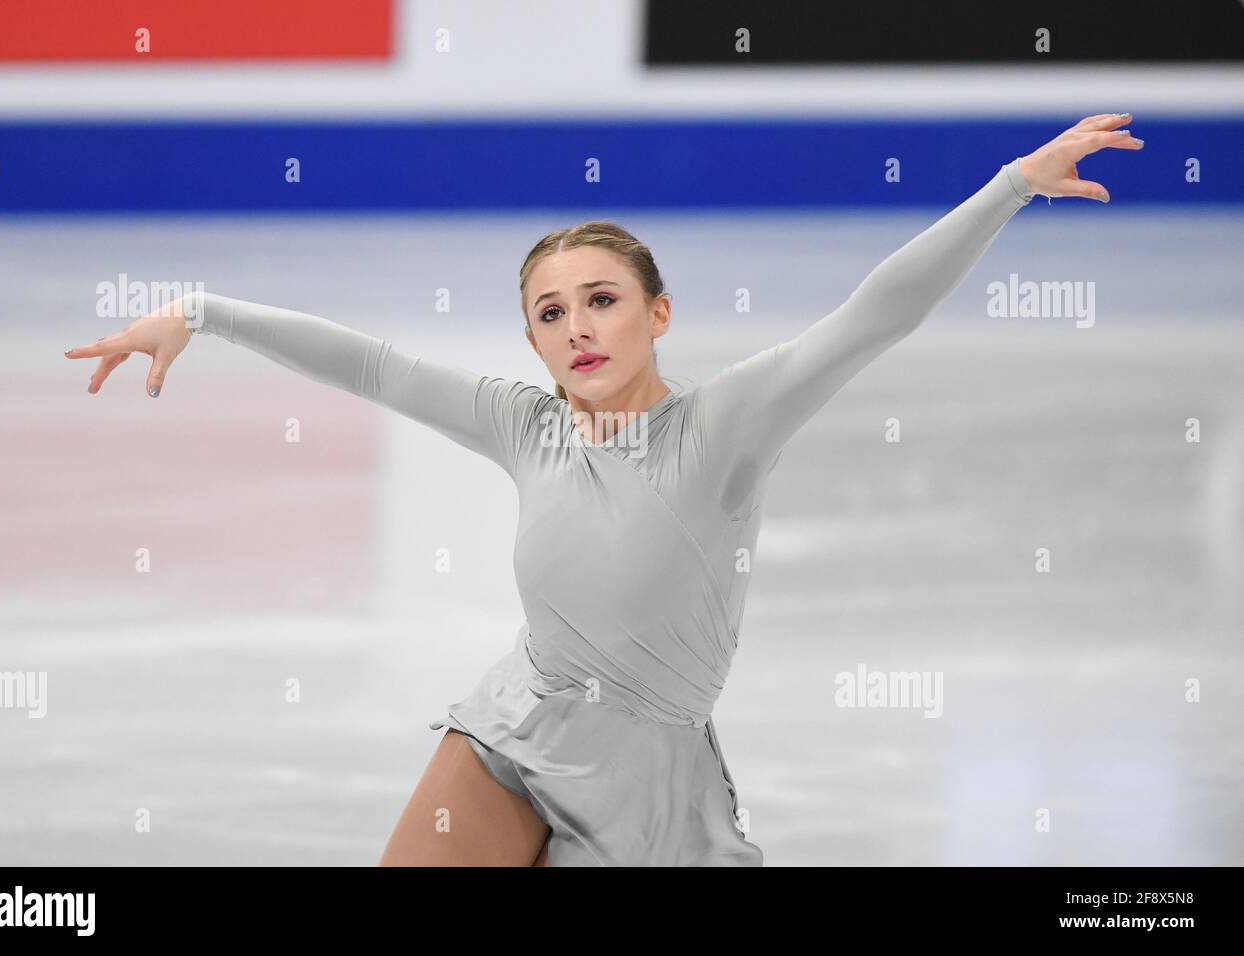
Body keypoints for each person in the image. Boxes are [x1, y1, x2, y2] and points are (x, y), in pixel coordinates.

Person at [65, 113, 1141, 866]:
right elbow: (373, 366)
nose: (576, 327)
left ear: (657, 313)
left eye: (601, 299)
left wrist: (1009, 187)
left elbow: (870, 317)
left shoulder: (721, 428)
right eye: (549, 311)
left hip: (651, 785)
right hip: (511, 731)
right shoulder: (519, 422)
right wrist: (201, 310)